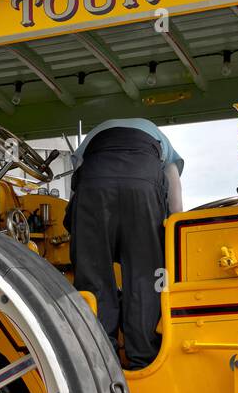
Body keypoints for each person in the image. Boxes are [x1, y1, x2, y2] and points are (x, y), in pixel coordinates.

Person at [65, 118, 184, 369]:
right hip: (143, 186)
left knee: (93, 277)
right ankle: (143, 358)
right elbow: (176, 207)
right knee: (144, 277)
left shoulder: (91, 139)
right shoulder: (164, 147)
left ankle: (101, 358)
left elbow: (75, 194)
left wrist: (78, 231)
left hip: (94, 185)